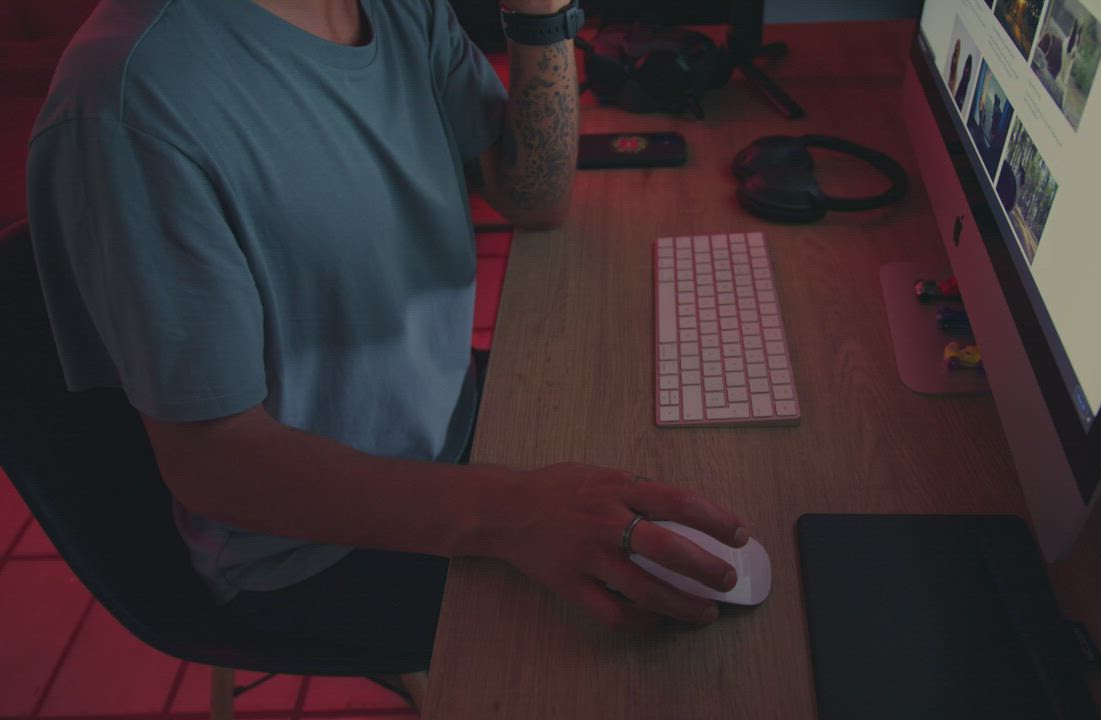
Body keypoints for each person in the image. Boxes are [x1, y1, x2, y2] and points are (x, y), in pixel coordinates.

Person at [26, 0, 749, 664]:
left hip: (455, 420)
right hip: (316, 549)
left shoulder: (399, 8)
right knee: (652, 665)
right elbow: (212, 463)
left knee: (703, 472)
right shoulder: (132, 100)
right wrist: (510, 513)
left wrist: (541, 15)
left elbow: (532, 195)